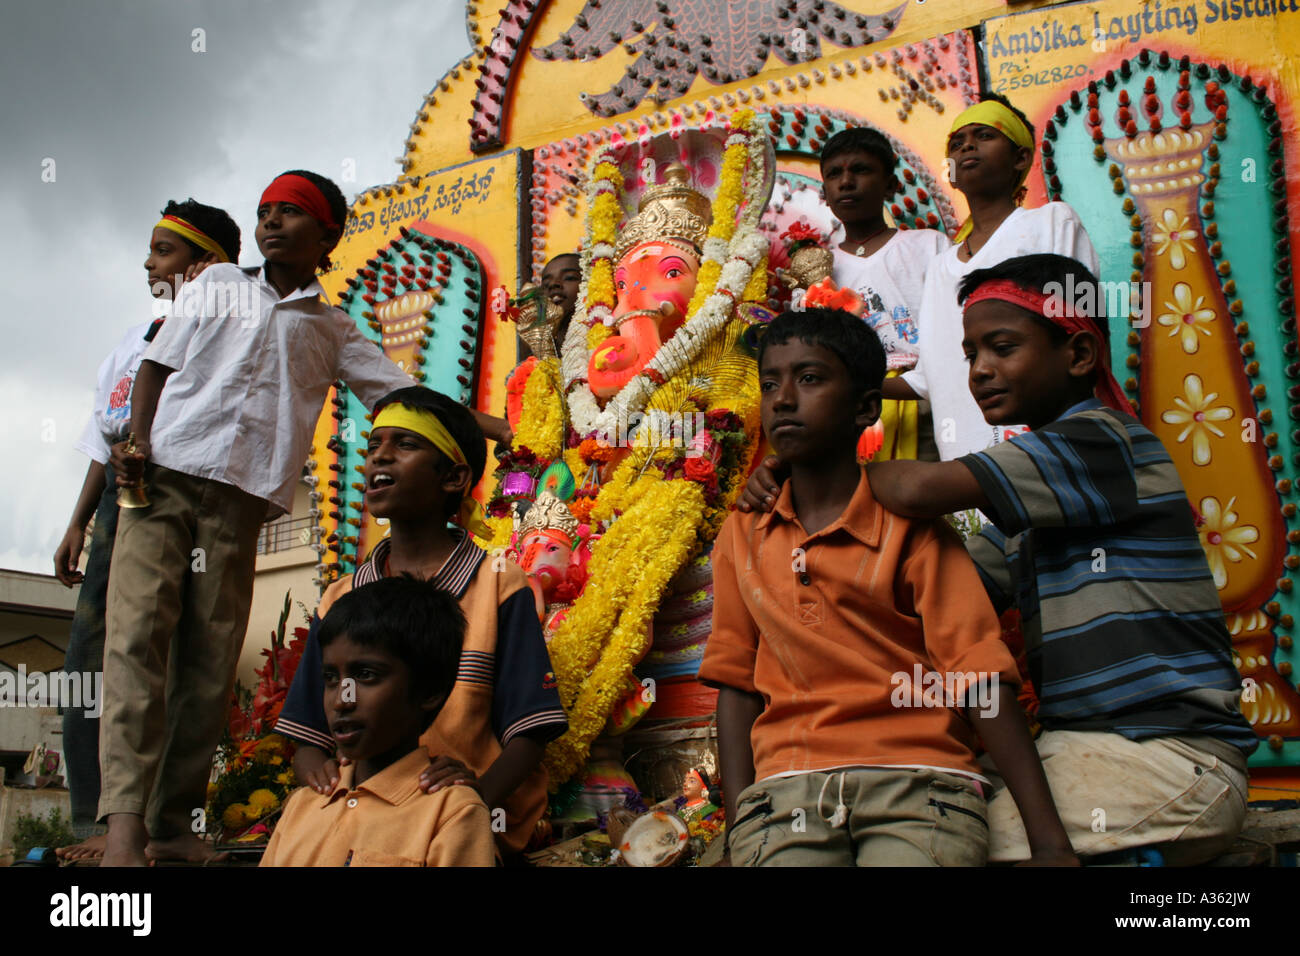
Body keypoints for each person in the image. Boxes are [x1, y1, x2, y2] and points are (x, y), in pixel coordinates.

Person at [864, 254, 1257, 864]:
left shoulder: (1100, 441)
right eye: (972, 355)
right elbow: (950, 591)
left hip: (1172, 760)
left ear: (1078, 356)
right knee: (920, 802)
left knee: (944, 844)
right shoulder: (1032, 507)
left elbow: (916, 490)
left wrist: (821, 464)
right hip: (1085, 750)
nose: (981, 371)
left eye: (1001, 347)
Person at [99, 170, 414, 867]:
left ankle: (170, 824)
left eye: (292, 213)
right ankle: (123, 827)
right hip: (164, 484)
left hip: (239, 507)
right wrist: (138, 438)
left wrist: (489, 426)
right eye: (266, 211)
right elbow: (156, 366)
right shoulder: (216, 286)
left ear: (327, 235)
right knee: (136, 644)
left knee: (209, 667)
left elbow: (398, 390)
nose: (272, 223)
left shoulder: (330, 328)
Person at [699, 306, 1076, 866]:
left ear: (865, 408)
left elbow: (978, 672)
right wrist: (738, 827)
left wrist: (1049, 843)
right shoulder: (742, 533)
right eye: (770, 383)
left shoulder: (912, 526)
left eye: (809, 379)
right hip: (788, 786)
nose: (782, 399)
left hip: (918, 780)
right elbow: (736, 682)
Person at [276, 385, 567, 857]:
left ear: (453, 477)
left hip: (471, 830)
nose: (379, 459)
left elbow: (530, 731)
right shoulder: (341, 597)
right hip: (367, 833)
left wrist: (471, 801)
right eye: (373, 446)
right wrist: (320, 779)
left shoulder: (498, 585)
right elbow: (307, 735)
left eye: (404, 445)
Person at [53, 199, 240, 863]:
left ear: (204, 263)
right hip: (122, 506)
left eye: (162, 250)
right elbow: (108, 440)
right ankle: (97, 822)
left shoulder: (233, 330)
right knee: (99, 653)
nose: (147, 262)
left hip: (192, 495)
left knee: (191, 654)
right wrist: (80, 522)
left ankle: (165, 824)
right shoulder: (131, 343)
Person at [260, 576, 495, 867]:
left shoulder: (452, 813)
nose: (341, 700)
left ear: (429, 690)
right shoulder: (302, 807)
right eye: (331, 678)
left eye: (366, 675)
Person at [819, 127, 948, 460]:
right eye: (834, 174)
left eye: (860, 169)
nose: (846, 182)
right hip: (851, 412)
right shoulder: (818, 268)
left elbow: (953, 330)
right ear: (825, 191)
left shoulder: (929, 245)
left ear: (891, 184)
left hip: (927, 404)